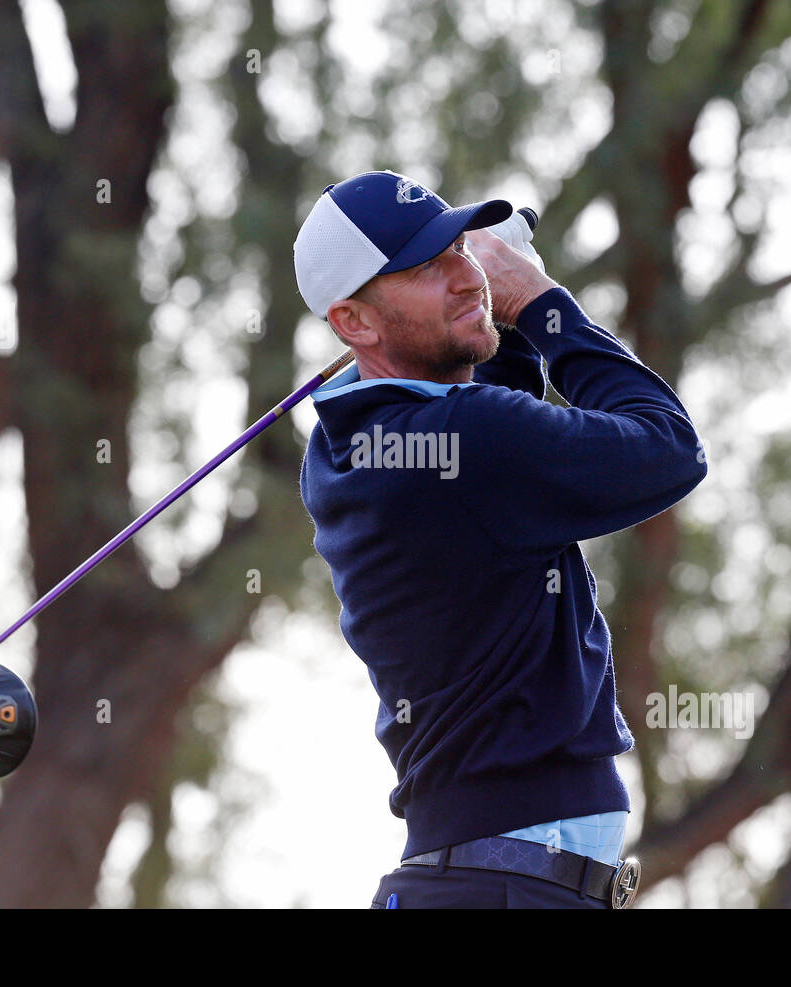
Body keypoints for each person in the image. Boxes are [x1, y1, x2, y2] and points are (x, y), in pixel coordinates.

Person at [292, 170, 707, 908]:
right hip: (506, 886)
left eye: (461, 249)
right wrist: (541, 306)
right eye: (425, 268)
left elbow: (497, 424)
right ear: (354, 323)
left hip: (486, 880)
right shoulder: (464, 441)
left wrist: (491, 319)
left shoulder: (352, 446)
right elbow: (667, 449)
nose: (464, 275)